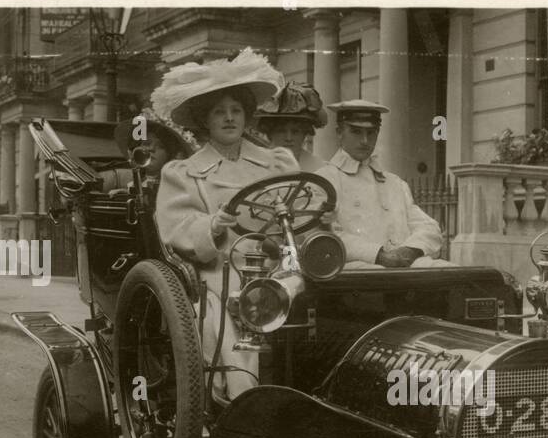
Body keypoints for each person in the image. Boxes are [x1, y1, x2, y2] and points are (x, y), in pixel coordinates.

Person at [150, 48, 299, 402]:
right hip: (218, 272)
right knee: (231, 310)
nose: (229, 118)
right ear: (206, 120)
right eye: (220, 112)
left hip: (277, 264)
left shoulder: (276, 162)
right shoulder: (184, 172)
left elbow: (298, 210)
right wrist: (212, 225)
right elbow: (174, 228)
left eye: (236, 111)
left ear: (246, 116)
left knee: (304, 289)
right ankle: (241, 402)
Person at [315, 99, 450, 269]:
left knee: (452, 272)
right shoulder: (324, 180)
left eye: (371, 133)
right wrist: (378, 255)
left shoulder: (394, 183)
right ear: (339, 132)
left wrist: (411, 250)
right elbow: (326, 236)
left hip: (403, 265)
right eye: (356, 132)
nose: (365, 140)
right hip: (352, 269)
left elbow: (429, 227)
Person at [113, 108, 196, 199]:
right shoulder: (137, 181)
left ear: (170, 154)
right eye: (146, 143)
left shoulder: (173, 184)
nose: (151, 149)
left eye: (161, 146)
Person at [254, 83, 328, 172]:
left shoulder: (321, 169)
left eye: (295, 132)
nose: (289, 138)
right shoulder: (256, 165)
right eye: (281, 131)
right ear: (270, 133)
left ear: (305, 134)